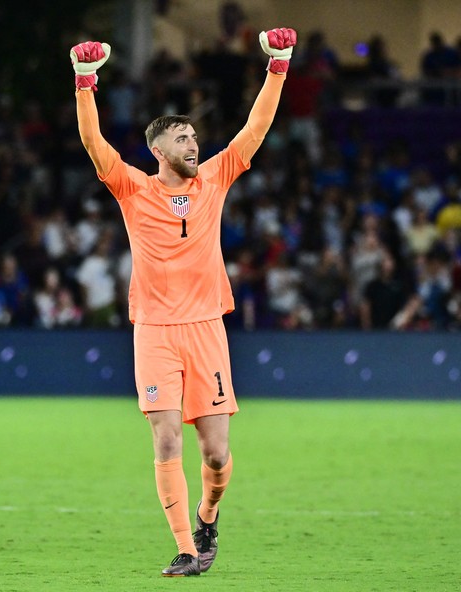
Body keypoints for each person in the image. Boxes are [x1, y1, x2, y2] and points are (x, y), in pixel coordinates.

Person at [70, 28, 297, 577]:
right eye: (181, 139)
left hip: (205, 329)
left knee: (216, 455)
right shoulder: (133, 188)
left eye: (195, 137)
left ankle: (208, 518)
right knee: (167, 436)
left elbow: (256, 128)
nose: (193, 144)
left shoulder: (215, 179)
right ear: (157, 151)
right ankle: (186, 550)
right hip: (154, 330)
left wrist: (278, 66)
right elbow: (94, 144)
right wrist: (84, 85)